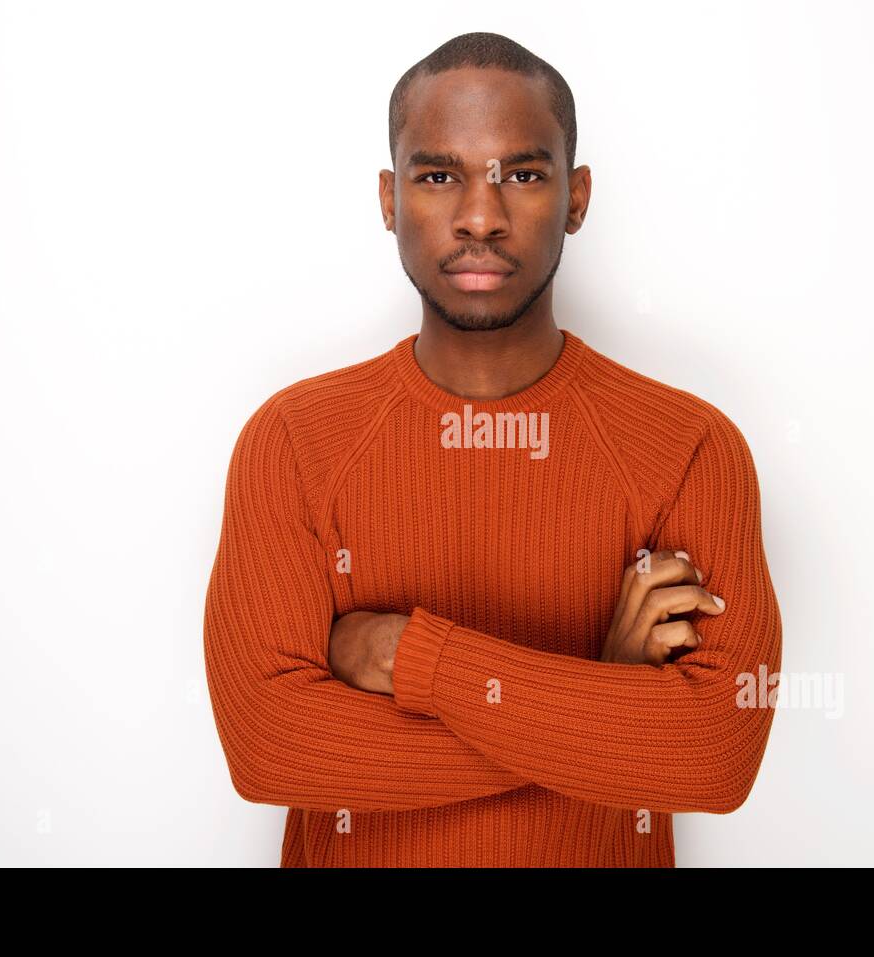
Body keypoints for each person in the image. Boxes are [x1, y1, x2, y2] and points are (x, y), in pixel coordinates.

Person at [203, 31, 783, 867]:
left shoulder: (691, 448)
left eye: (524, 173)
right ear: (388, 199)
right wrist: (604, 704)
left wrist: (412, 656)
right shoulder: (292, 443)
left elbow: (715, 757)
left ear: (578, 198)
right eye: (439, 176)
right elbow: (272, 749)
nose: (481, 215)